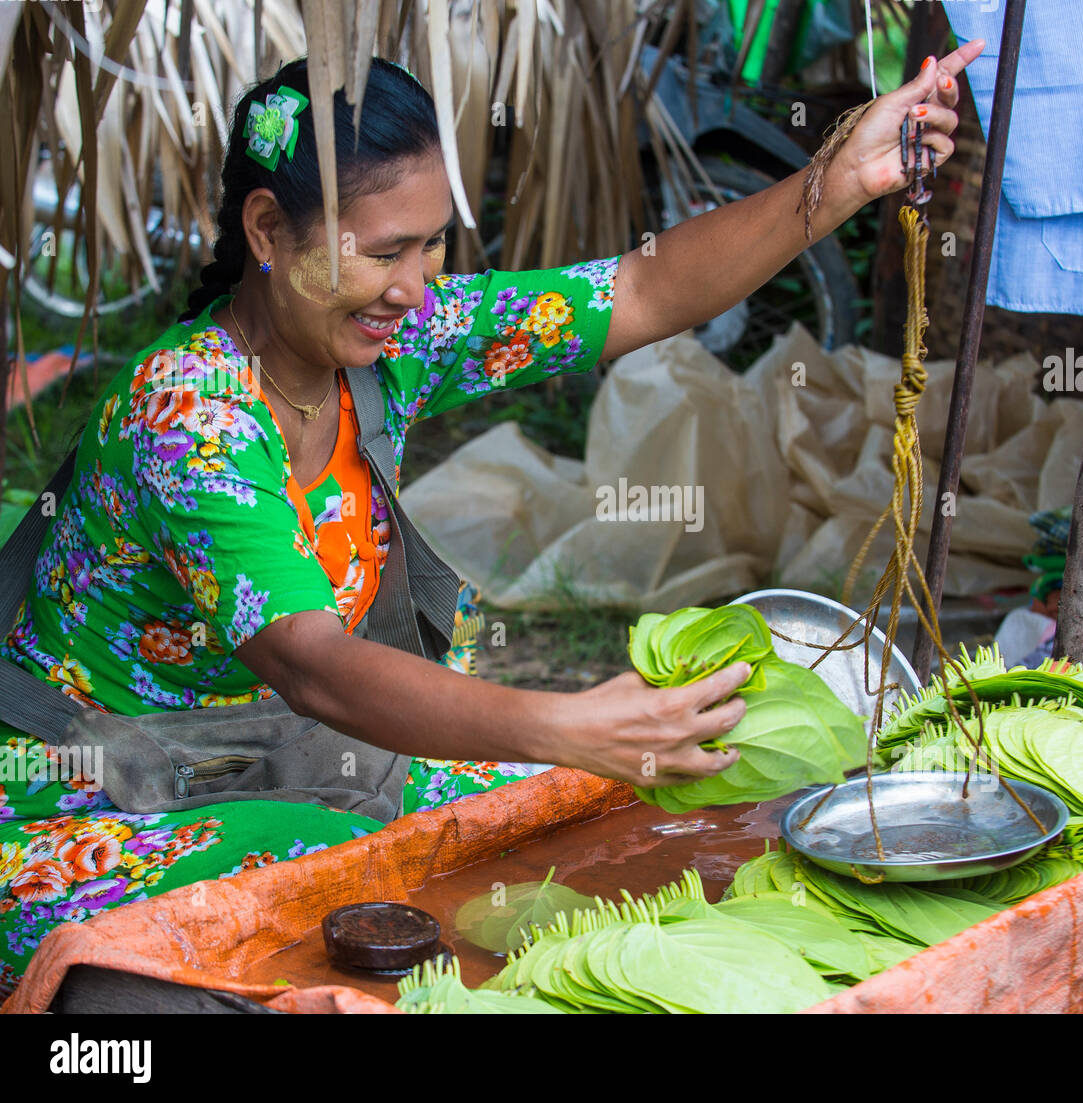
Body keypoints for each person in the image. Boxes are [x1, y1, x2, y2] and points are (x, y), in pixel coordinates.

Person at [0, 45, 982, 995]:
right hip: (88, 789)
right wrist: (568, 722)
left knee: (526, 821)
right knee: (357, 885)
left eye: (431, 246)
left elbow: (640, 286)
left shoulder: (393, 338)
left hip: (265, 745)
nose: (415, 287)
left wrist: (837, 178)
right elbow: (314, 663)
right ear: (266, 230)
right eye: (385, 251)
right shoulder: (191, 419)